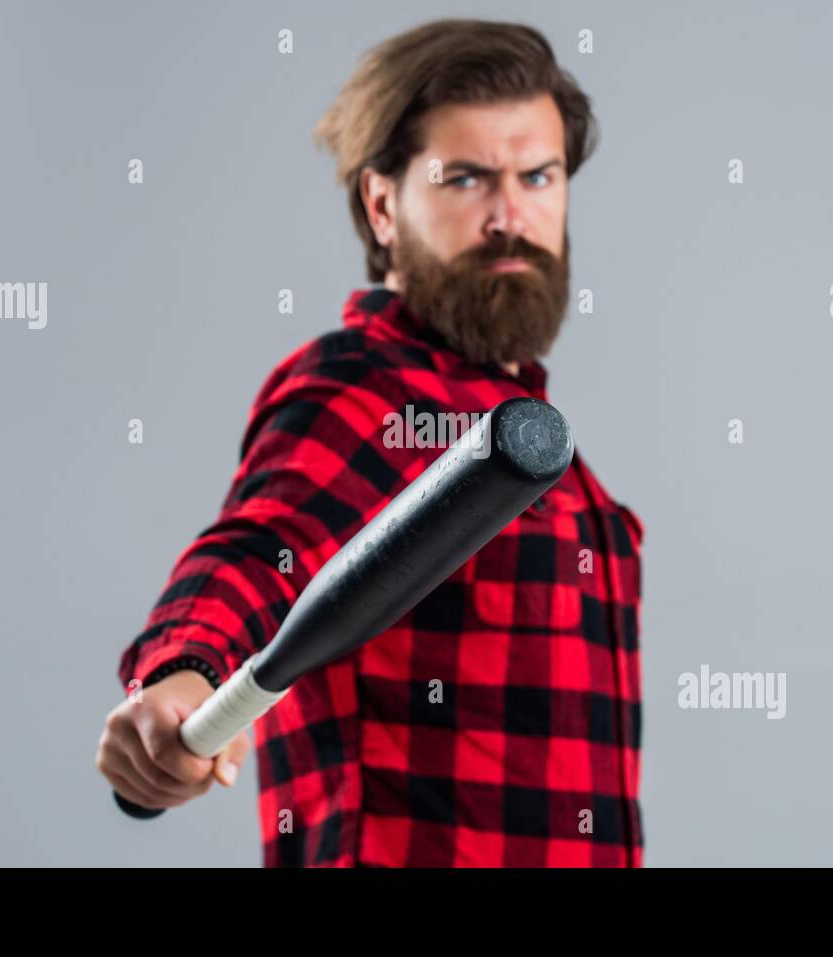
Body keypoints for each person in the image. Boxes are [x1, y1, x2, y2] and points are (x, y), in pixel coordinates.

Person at [95, 17, 645, 867]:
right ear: (382, 204)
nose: (511, 215)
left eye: (538, 175)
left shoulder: (537, 445)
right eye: (466, 179)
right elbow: (262, 545)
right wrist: (182, 677)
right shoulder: (367, 388)